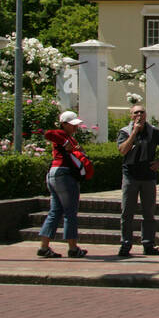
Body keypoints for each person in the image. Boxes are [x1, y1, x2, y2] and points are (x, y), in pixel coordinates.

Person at [115, 105, 159, 256]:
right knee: (127, 212)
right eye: (136, 112)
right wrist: (134, 132)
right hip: (130, 176)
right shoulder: (125, 132)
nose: (139, 115)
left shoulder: (153, 132)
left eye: (142, 112)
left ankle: (148, 244)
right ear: (131, 116)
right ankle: (125, 244)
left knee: (148, 212)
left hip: (148, 177)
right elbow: (122, 150)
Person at [37, 111, 94, 259]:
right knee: (70, 212)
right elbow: (48, 134)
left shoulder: (70, 138)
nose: (75, 127)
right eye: (72, 124)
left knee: (55, 211)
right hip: (64, 175)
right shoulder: (61, 135)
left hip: (54, 174)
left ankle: (44, 247)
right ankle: (73, 248)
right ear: (64, 124)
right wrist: (65, 143)